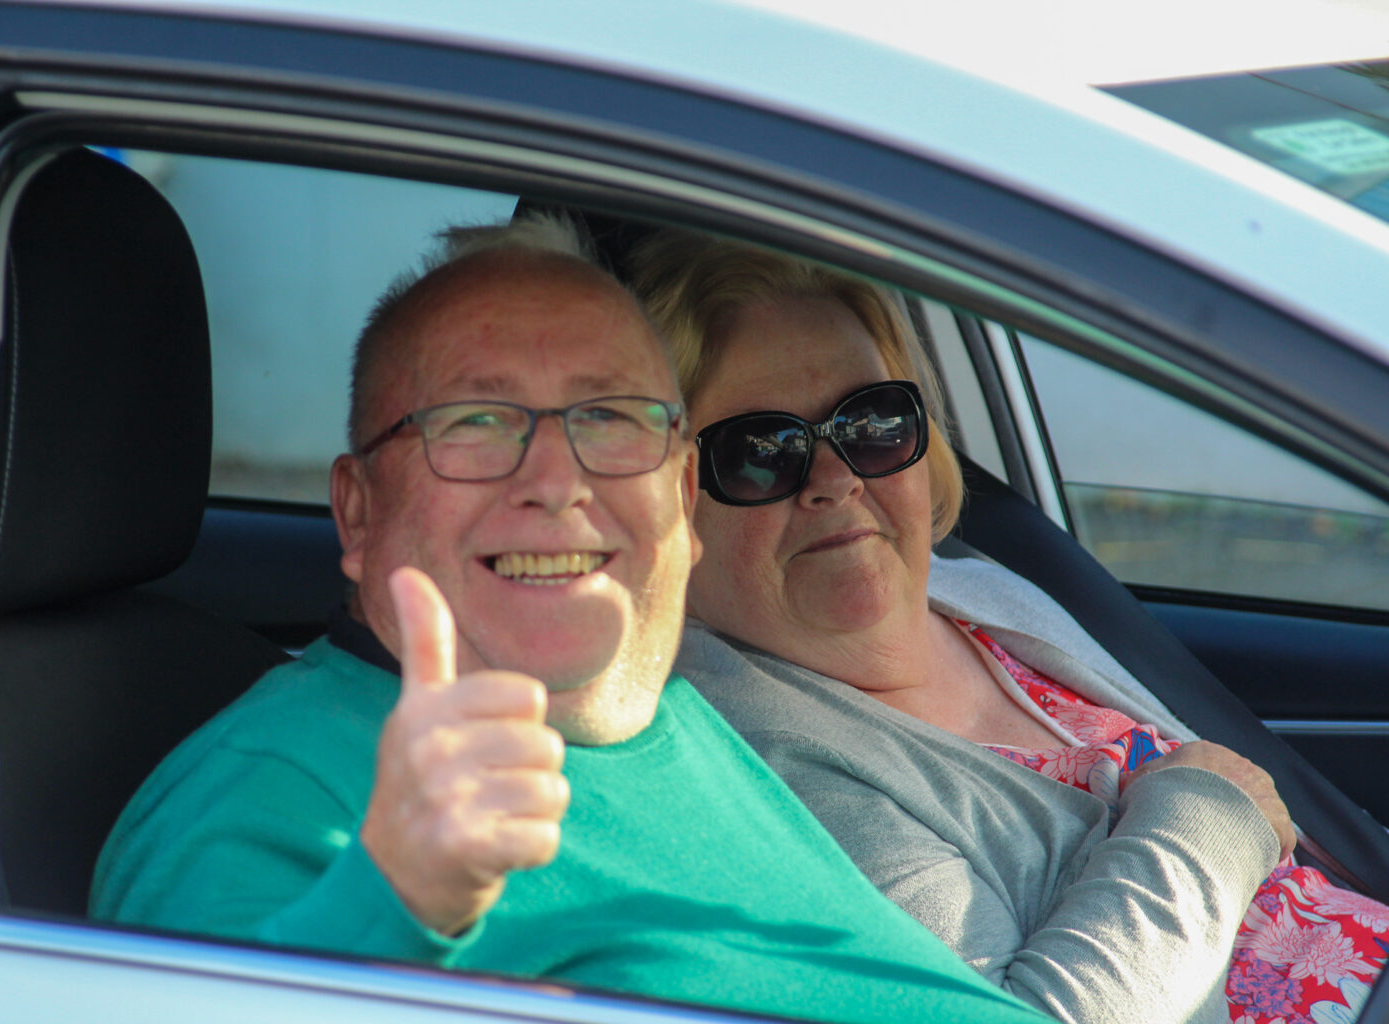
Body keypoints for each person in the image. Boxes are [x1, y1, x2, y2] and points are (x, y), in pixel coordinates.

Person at [89, 215, 1051, 1024]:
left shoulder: (669, 722)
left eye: (610, 421)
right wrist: (390, 907)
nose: (557, 483)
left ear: (680, 497)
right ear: (359, 512)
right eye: (473, 424)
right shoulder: (274, 800)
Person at [629, 229, 1389, 1024]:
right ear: (666, 501)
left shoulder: (977, 594)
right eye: (761, 450)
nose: (837, 478)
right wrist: (1206, 821)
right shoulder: (761, 764)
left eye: (873, 422)